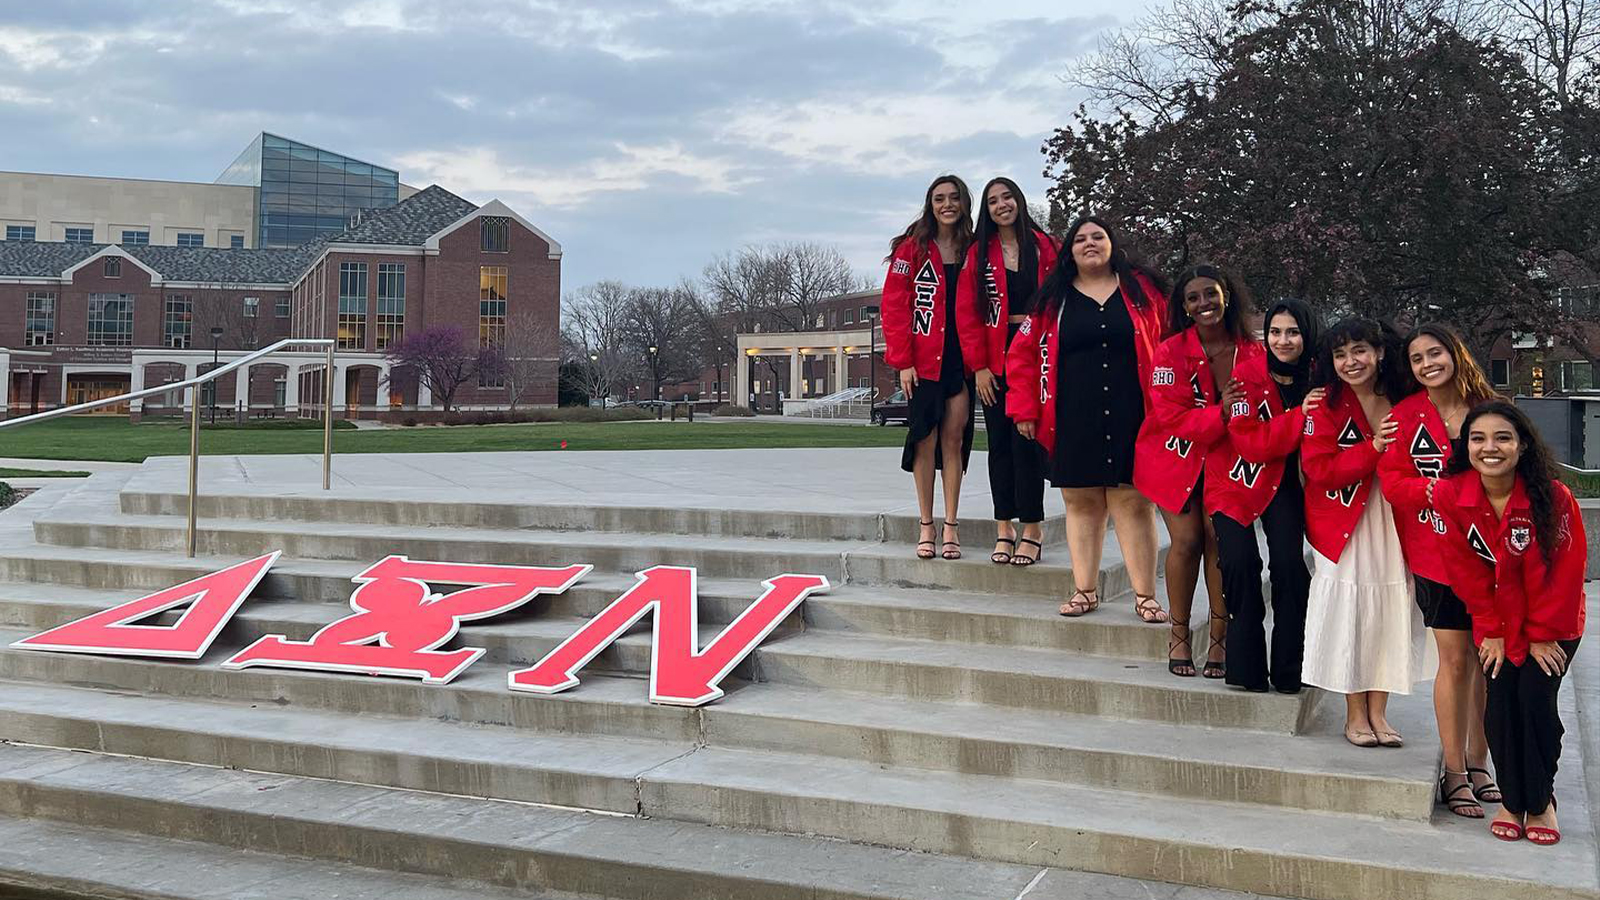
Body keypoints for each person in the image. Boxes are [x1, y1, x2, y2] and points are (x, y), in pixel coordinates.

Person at [1435, 402, 1586, 845]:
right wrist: (1493, 629)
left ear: (1521, 446)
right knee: (1500, 707)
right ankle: (1511, 801)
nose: (1490, 448)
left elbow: (1565, 571)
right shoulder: (1451, 496)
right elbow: (1464, 570)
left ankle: (1540, 803)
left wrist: (1540, 636)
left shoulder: (1552, 496)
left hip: (1552, 624)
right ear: (1467, 447)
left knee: (1535, 702)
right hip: (1497, 622)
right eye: (1478, 439)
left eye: (1503, 438)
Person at [1006, 216, 1168, 622]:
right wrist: (1024, 408)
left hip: (1135, 412)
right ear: (1069, 250)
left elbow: (1169, 344)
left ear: (1112, 244)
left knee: (1133, 503)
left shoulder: (1143, 292)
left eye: (1098, 236)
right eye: (1080, 239)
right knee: (1081, 502)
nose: (1090, 243)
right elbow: (1022, 355)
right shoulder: (1051, 301)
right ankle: (1085, 591)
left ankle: (1145, 595)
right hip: (1072, 414)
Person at [1379, 324, 1502, 818]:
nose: (1428, 364)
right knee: (1454, 660)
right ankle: (1453, 771)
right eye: (1417, 359)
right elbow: (1392, 482)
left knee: (1488, 659)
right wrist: (1435, 493)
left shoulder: (1489, 406)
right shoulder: (1407, 416)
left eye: (1436, 353)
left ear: (1455, 354)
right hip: (1436, 553)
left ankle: (1480, 761)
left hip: (1492, 552)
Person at [1300, 318, 1428, 747]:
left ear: (1379, 353)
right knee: (1352, 612)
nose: (1350, 362)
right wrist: (1372, 448)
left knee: (1391, 609)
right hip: (1344, 523)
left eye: (1359, 351)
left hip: (1395, 517)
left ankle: (1380, 712)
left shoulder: (1406, 398)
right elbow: (1319, 471)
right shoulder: (1323, 405)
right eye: (1340, 354)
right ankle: (1355, 713)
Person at [1132, 265, 1254, 678]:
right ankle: (1179, 634)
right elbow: (1173, 417)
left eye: (1211, 294)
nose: (1204, 303)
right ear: (1183, 307)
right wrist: (1222, 411)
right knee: (1186, 541)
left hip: (1229, 463)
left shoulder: (1250, 350)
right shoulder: (1169, 351)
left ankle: (1218, 638)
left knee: (1219, 541)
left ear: (1226, 296)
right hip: (1174, 458)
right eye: (1194, 298)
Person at [1218, 299, 1323, 693]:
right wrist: (1298, 417)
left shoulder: (1320, 377)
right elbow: (1251, 444)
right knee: (1241, 564)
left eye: (1293, 332)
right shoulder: (1246, 375)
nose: (1283, 340)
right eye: (1275, 332)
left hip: (1286, 483)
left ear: (1307, 335)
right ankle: (1245, 669)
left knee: (1290, 569)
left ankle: (1291, 669)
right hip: (1236, 480)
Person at [955, 177, 1059, 566]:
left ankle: (1032, 526)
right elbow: (966, 313)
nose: (1002, 205)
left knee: (1028, 443)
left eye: (1008, 197)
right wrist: (979, 366)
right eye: (993, 200)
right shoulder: (979, 253)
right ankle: (1004, 526)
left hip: (1037, 351)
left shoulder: (1045, 246)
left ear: (1019, 200)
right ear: (987, 208)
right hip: (994, 355)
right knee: (998, 444)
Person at [881, 175, 976, 560]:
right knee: (925, 440)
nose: (947, 204)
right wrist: (903, 362)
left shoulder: (974, 248)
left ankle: (951, 525)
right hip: (923, 361)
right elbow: (894, 306)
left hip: (961, 360)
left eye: (954, 198)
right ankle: (926, 524)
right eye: (939, 199)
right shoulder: (912, 249)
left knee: (954, 440)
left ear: (964, 203)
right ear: (930, 204)